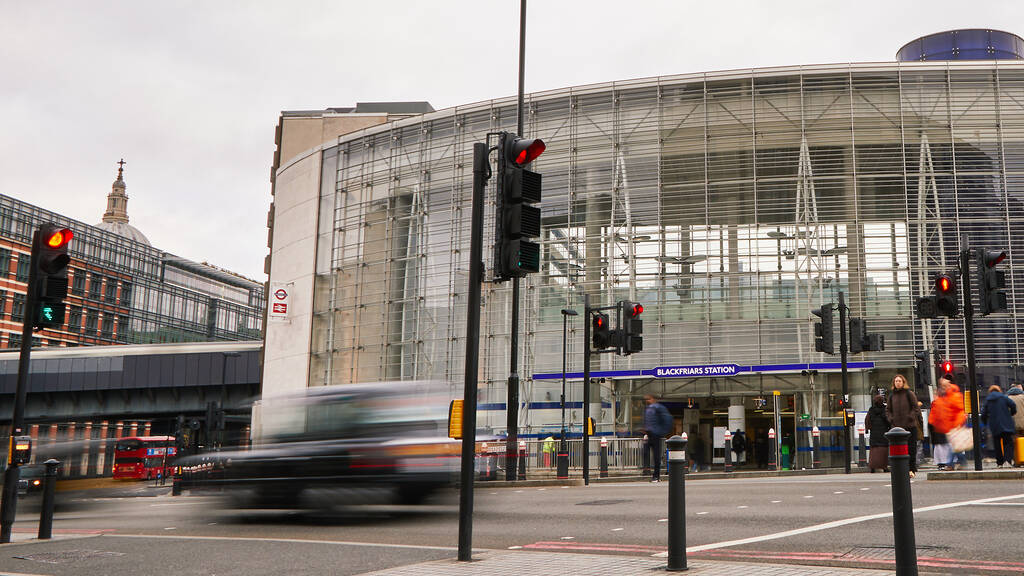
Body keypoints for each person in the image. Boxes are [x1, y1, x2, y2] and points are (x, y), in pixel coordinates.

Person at [886, 374, 922, 477]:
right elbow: (888, 409)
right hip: (897, 427)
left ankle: (911, 469)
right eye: (896, 381)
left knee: (911, 449)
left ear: (903, 382)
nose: (898, 383)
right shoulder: (892, 395)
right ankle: (901, 469)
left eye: (899, 381)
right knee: (899, 449)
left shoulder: (909, 393)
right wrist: (891, 419)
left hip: (909, 426)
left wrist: (911, 417)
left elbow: (916, 407)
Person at [928, 375, 966, 471]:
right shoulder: (949, 395)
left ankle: (953, 464)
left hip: (954, 424)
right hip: (951, 424)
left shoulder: (952, 395)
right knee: (952, 446)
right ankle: (956, 463)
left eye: (943, 385)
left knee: (953, 446)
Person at [980, 384, 1018, 467]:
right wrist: (1011, 413)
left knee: (997, 445)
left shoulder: (988, 400)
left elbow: (983, 414)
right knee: (1008, 443)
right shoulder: (1003, 397)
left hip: (995, 425)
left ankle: (1000, 462)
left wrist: (985, 423)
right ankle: (1007, 461)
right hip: (1006, 424)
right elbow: (1013, 405)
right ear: (999, 390)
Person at [643, 394, 673, 482]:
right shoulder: (648, 408)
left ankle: (656, 476)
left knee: (656, 456)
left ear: (653, 399)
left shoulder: (658, 408)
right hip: (650, 434)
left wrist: (661, 432)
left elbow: (667, 419)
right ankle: (651, 473)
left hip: (655, 434)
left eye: (648, 398)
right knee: (646, 452)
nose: (647, 400)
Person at [867, 393, 890, 472]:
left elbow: (867, 420)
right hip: (883, 431)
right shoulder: (885, 409)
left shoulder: (871, 409)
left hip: (874, 432)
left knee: (874, 450)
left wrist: (868, 429)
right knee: (883, 450)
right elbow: (888, 420)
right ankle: (884, 466)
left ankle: (872, 467)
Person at [1008, 384, 1024, 466]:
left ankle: (1017, 462)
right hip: (1023, 423)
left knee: (1014, 444)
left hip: (1013, 424)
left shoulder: (1007, 398)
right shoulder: (1023, 397)